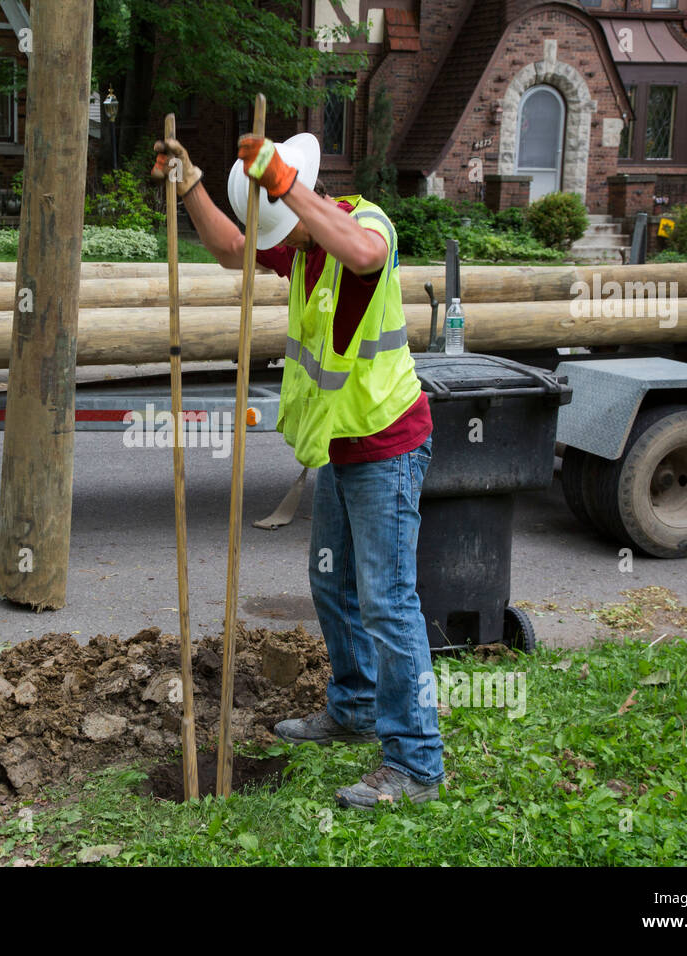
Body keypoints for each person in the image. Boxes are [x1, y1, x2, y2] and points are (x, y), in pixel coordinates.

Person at [152, 131, 445, 809]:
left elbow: (366, 252)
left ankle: (416, 763)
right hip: (341, 447)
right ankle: (355, 708)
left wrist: (286, 187)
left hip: (388, 446)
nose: (286, 243)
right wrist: (189, 185)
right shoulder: (302, 246)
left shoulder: (361, 224)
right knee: (332, 585)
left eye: (288, 217)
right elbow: (232, 250)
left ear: (301, 191)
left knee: (388, 603)